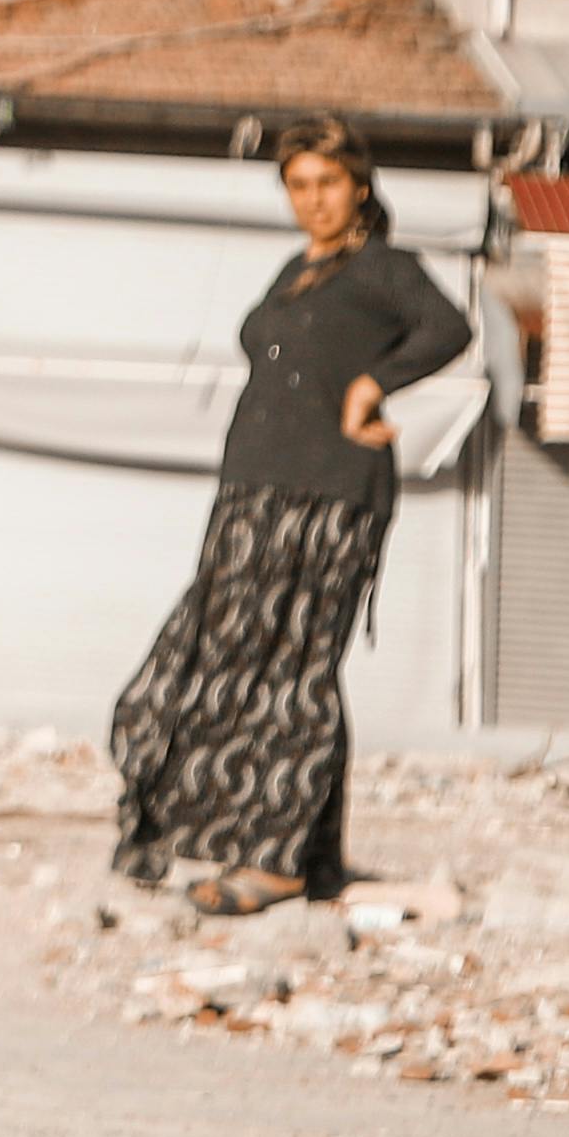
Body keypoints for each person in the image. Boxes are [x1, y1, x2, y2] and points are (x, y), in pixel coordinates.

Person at [107, 120, 470, 916]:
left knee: (296, 668)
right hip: (252, 487)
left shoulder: (387, 269)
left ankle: (273, 864)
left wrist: (373, 386)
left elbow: (450, 329)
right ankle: (313, 859)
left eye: (328, 183)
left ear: (361, 186)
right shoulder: (294, 270)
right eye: (299, 186)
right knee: (208, 651)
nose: (314, 200)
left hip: (333, 492)